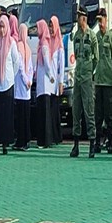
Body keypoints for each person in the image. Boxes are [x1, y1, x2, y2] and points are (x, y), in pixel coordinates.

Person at [70, 5, 99, 158]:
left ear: (85, 18)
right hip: (78, 78)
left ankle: (92, 143)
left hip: (87, 79)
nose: (78, 19)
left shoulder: (91, 36)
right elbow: (76, 55)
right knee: (76, 111)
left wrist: (89, 72)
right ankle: (75, 146)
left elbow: (96, 58)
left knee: (89, 111)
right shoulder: (76, 36)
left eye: (80, 17)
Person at [0, 15, 19, 155]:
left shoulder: (12, 43)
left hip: (7, 83)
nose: (1, 29)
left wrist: (10, 76)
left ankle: (6, 143)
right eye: (0, 26)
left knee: (7, 115)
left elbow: (16, 62)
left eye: (3, 26)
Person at [95, 9, 112, 154]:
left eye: (101, 20)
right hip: (99, 80)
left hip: (109, 81)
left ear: (106, 19)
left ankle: (110, 141)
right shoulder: (96, 36)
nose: (100, 24)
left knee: (109, 114)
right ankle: (98, 142)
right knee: (98, 114)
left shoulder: (111, 37)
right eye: (98, 21)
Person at [35, 18, 57, 148]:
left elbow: (47, 64)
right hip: (43, 83)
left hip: (45, 83)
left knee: (44, 113)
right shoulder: (43, 43)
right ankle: (45, 140)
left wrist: (51, 77)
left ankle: (44, 140)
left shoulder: (43, 44)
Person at [12, 18, 33, 151]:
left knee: (21, 116)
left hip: (22, 86)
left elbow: (21, 67)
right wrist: (29, 80)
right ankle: (25, 140)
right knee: (25, 115)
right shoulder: (27, 48)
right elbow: (30, 68)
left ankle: (21, 141)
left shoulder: (20, 46)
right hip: (26, 87)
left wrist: (26, 80)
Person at [48, 15, 65, 145]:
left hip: (56, 83)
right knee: (51, 111)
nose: (51, 29)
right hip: (49, 82)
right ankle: (52, 136)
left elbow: (61, 65)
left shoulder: (59, 44)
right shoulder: (48, 42)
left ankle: (57, 136)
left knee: (55, 110)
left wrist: (61, 82)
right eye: (49, 26)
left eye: (52, 26)